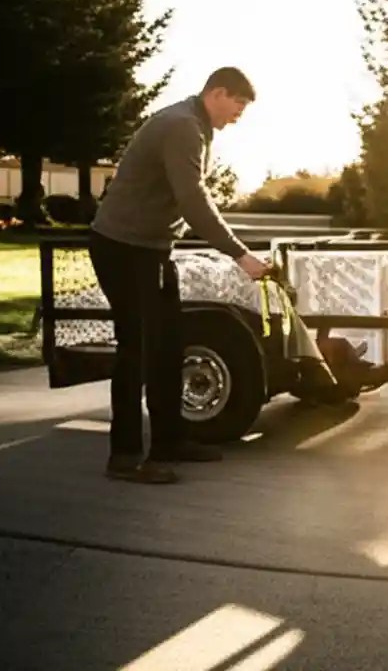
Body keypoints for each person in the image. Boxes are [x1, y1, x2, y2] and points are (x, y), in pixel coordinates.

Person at [88, 67, 271, 484]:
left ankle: (169, 442)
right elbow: (193, 200)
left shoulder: (198, 126)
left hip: (151, 249)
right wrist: (238, 254)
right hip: (122, 246)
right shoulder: (182, 126)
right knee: (136, 349)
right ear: (217, 93)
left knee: (169, 344)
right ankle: (126, 456)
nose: (240, 113)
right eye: (238, 103)